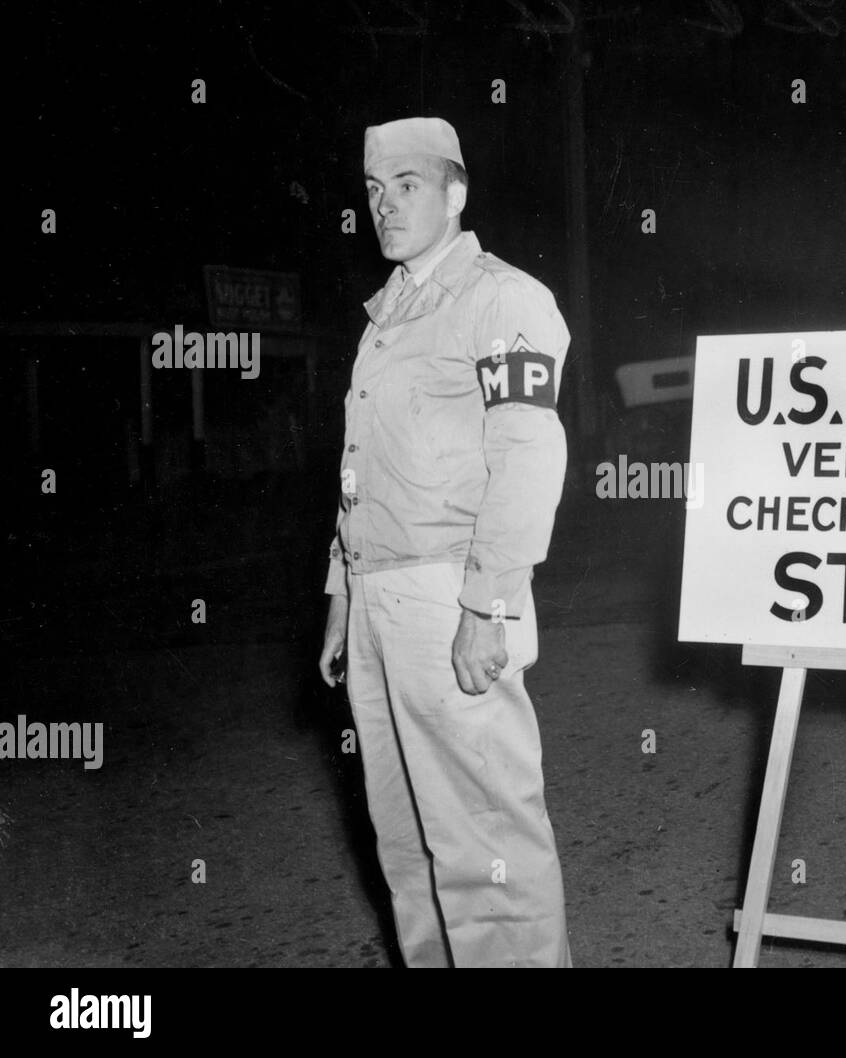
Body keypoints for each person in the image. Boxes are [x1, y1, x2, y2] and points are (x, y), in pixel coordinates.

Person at [317, 116, 572, 967]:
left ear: (456, 194)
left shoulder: (500, 298)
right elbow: (365, 466)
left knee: (486, 854)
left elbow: (529, 455)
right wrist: (341, 595)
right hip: (377, 599)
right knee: (408, 848)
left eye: (408, 186)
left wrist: (488, 603)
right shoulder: (386, 314)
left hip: (452, 596)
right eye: (374, 191)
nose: (385, 206)